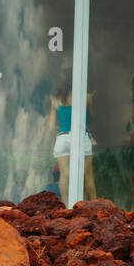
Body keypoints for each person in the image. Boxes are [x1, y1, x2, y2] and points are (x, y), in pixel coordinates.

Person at [50, 70, 96, 203]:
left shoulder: (55, 101)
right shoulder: (86, 97)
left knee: (64, 176)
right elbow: (90, 118)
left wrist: (64, 129)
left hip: (63, 138)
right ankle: (93, 208)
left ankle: (67, 208)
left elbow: (51, 127)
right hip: (81, 136)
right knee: (88, 176)